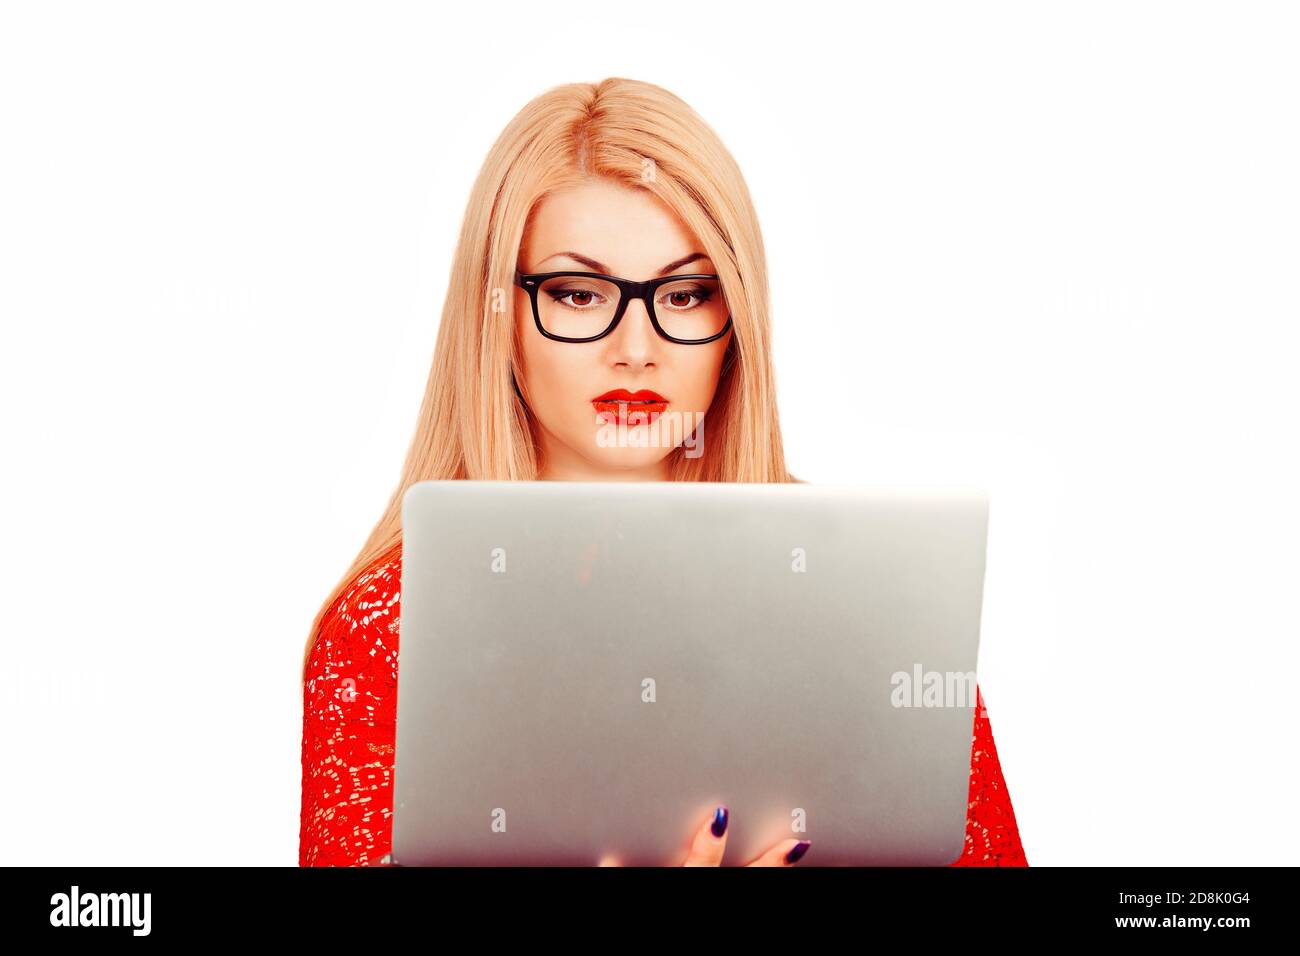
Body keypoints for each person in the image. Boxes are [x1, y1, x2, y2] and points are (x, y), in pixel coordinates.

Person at [299, 77, 1028, 867]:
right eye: (579, 294)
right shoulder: (387, 629)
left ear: (733, 320)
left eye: (683, 294)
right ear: (497, 317)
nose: (637, 347)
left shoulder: (867, 598)